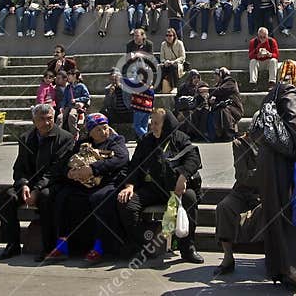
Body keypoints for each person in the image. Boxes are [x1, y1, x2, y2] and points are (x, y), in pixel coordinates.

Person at [255, 78, 296, 291]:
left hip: (268, 160)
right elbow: (295, 121)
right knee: (290, 215)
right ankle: (294, 273)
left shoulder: (271, 95)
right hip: (281, 162)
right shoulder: (289, 91)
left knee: (275, 214)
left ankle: (278, 269)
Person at [117, 108, 204, 263]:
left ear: (167, 124)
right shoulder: (146, 141)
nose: (152, 126)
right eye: (152, 123)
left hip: (176, 188)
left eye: (157, 123)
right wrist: (129, 185)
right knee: (127, 204)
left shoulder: (180, 139)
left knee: (190, 198)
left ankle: (188, 248)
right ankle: (144, 244)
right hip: (153, 188)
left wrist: (183, 177)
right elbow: (135, 166)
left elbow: (193, 158)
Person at [0, 103, 74, 260]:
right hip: (30, 183)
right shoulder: (26, 138)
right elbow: (19, 168)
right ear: (34, 121)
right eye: (41, 119)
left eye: (49, 119)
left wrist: (36, 189)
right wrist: (24, 184)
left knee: (46, 197)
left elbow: (56, 170)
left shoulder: (65, 138)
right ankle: (12, 244)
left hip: (53, 184)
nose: (46, 123)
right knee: (6, 197)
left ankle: (49, 247)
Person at [50, 113, 129, 262]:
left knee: (98, 198)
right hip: (84, 184)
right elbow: (64, 163)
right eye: (98, 130)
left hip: (108, 182)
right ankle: (63, 245)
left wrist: (93, 169)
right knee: (63, 197)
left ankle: (100, 247)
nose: (103, 132)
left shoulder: (116, 141)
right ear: (90, 131)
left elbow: (121, 159)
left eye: (105, 128)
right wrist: (71, 173)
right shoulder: (83, 143)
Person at [214, 133, 263, 276]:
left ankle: (273, 258)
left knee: (268, 210)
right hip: (242, 191)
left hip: (266, 193)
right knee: (224, 207)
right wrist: (267, 172)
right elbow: (242, 176)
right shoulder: (240, 144)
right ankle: (228, 258)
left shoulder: (276, 143)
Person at [210, 67, 244, 141]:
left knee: (224, 110)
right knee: (217, 109)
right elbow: (216, 93)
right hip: (226, 107)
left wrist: (209, 90)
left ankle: (230, 133)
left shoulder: (230, 82)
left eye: (216, 76)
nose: (215, 78)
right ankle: (219, 135)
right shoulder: (219, 85)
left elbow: (221, 90)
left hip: (235, 109)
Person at [159, 27, 186, 94]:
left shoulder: (179, 43)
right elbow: (162, 57)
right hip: (167, 63)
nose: (168, 37)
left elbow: (182, 57)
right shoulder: (163, 44)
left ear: (174, 36)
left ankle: (175, 87)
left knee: (173, 67)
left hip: (177, 63)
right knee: (160, 67)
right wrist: (165, 61)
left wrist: (174, 61)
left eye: (170, 35)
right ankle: (159, 87)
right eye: (167, 35)